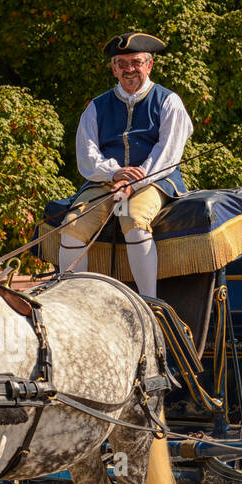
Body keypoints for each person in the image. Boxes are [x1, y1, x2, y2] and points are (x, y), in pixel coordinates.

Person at [58, 31, 192, 298]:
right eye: (122, 63)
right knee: (71, 228)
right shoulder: (96, 107)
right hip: (104, 182)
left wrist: (134, 181)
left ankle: (149, 302)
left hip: (154, 181)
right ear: (113, 69)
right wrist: (114, 172)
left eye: (137, 62)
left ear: (149, 65)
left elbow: (167, 154)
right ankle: (74, 302)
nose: (130, 69)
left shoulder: (169, 102)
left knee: (133, 218)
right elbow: (86, 155)